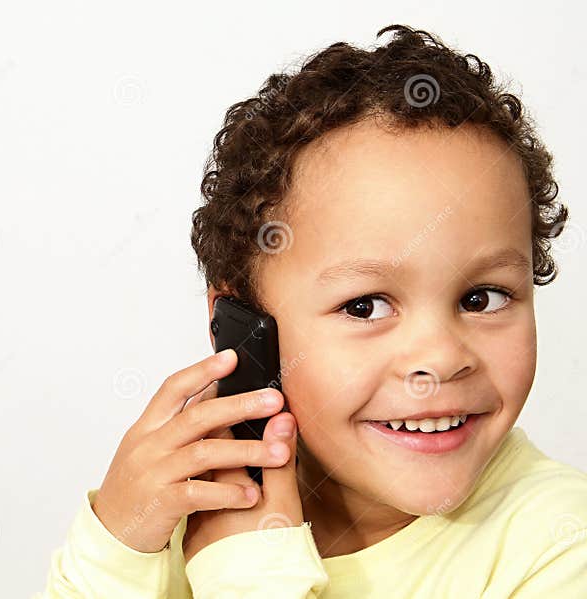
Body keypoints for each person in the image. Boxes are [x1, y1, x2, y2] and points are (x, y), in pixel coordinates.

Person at [33, 24, 587, 598]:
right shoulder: (181, 509)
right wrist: (117, 550)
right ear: (246, 328)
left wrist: (252, 574)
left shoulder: (560, 547)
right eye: (365, 305)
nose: (441, 360)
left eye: (481, 298)